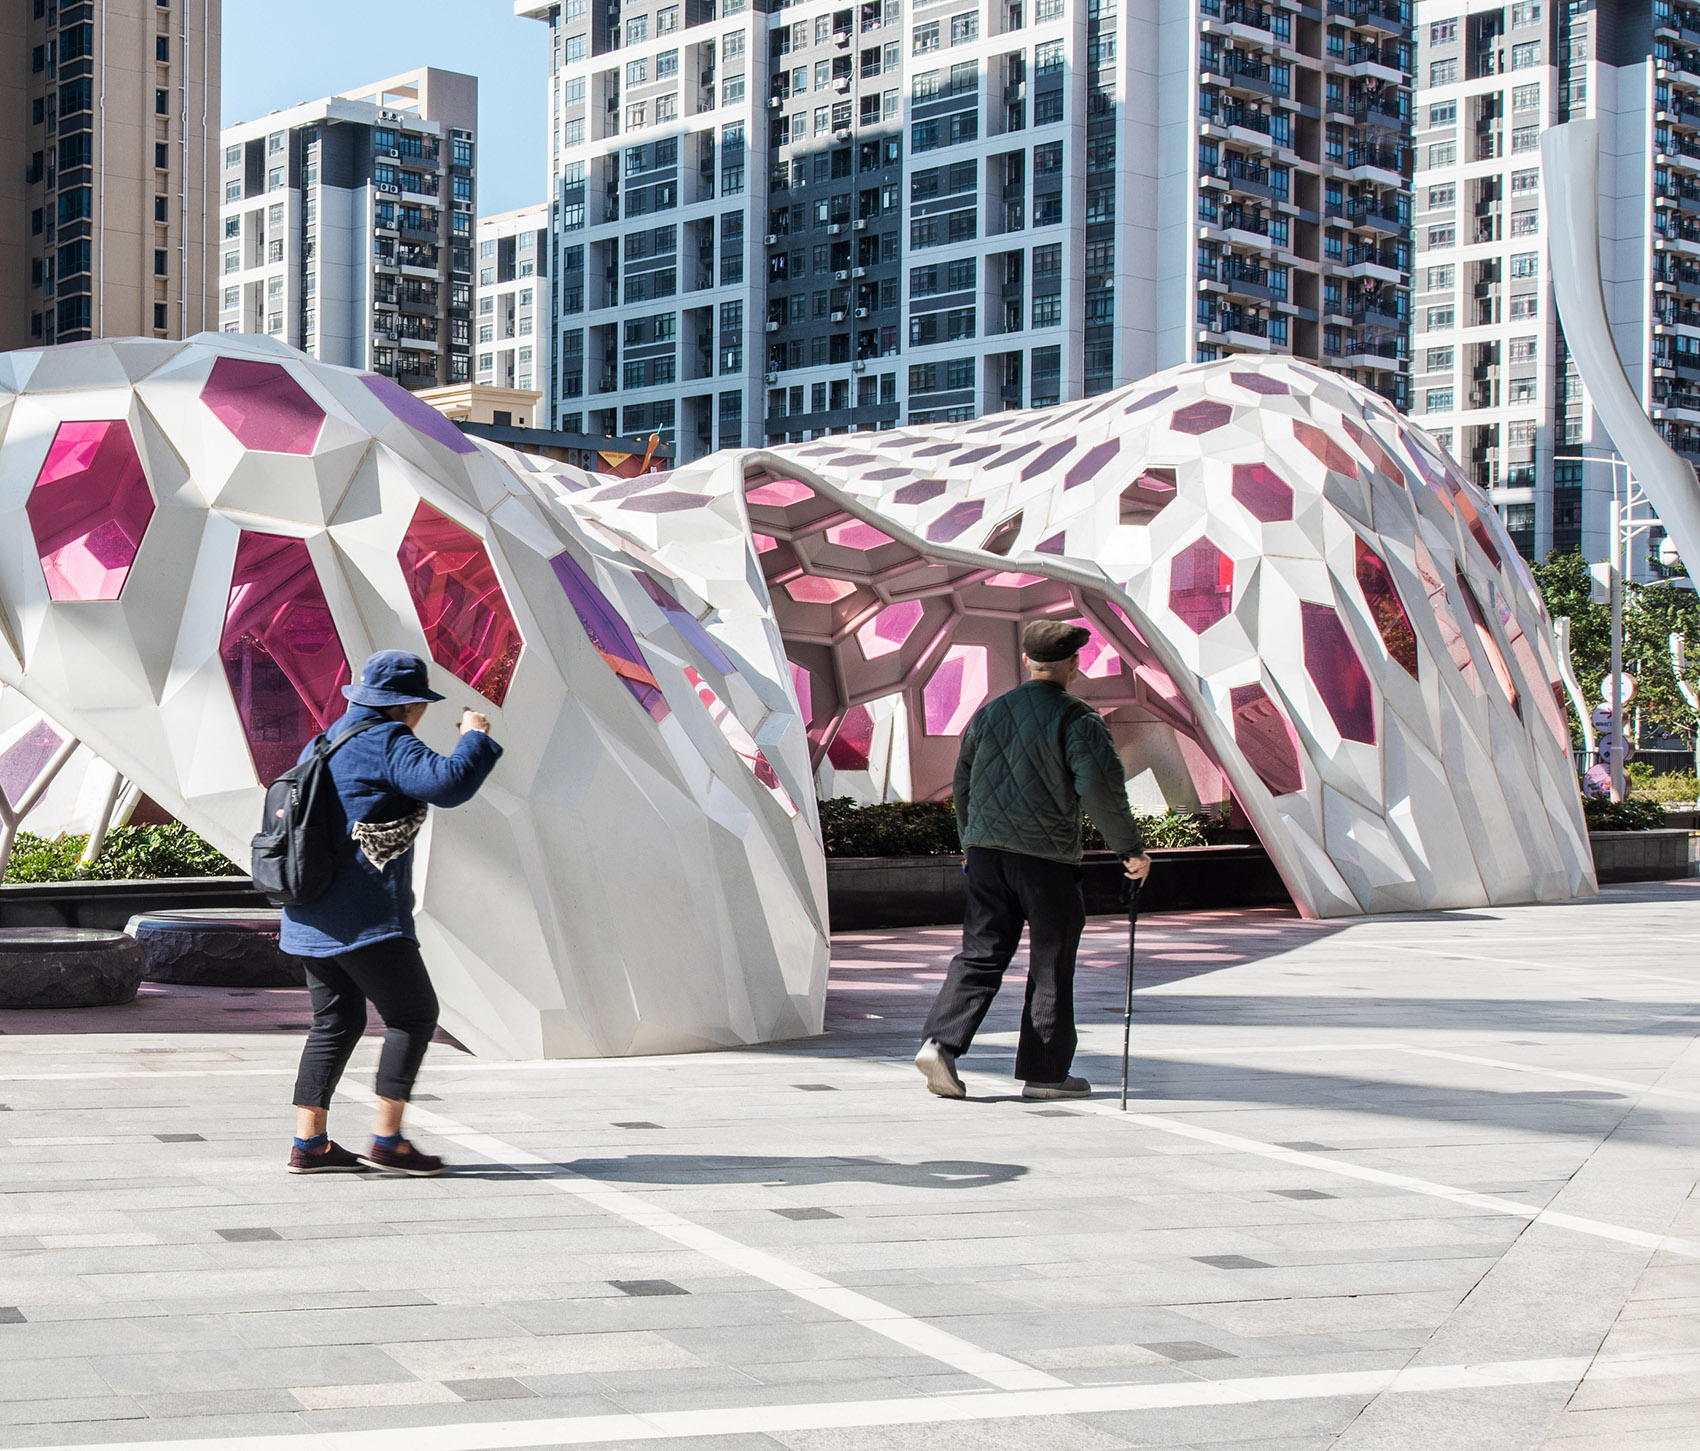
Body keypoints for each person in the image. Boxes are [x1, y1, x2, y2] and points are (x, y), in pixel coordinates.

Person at [283, 650, 502, 1176]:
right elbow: (448, 784)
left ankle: (309, 1145)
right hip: (361, 917)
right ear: (406, 704)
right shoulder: (385, 741)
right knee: (413, 1016)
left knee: (335, 1022)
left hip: (308, 912)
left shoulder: (327, 740)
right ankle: (388, 1139)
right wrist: (473, 735)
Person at [915, 620, 1152, 1101]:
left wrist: (971, 845)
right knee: (1051, 960)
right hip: (1044, 859)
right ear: (1074, 665)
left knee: (980, 954)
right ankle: (1045, 1075)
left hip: (985, 855)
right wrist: (1131, 850)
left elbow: (963, 784)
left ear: (1027, 661)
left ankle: (941, 1044)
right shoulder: (1078, 718)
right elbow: (1101, 790)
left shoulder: (990, 713)